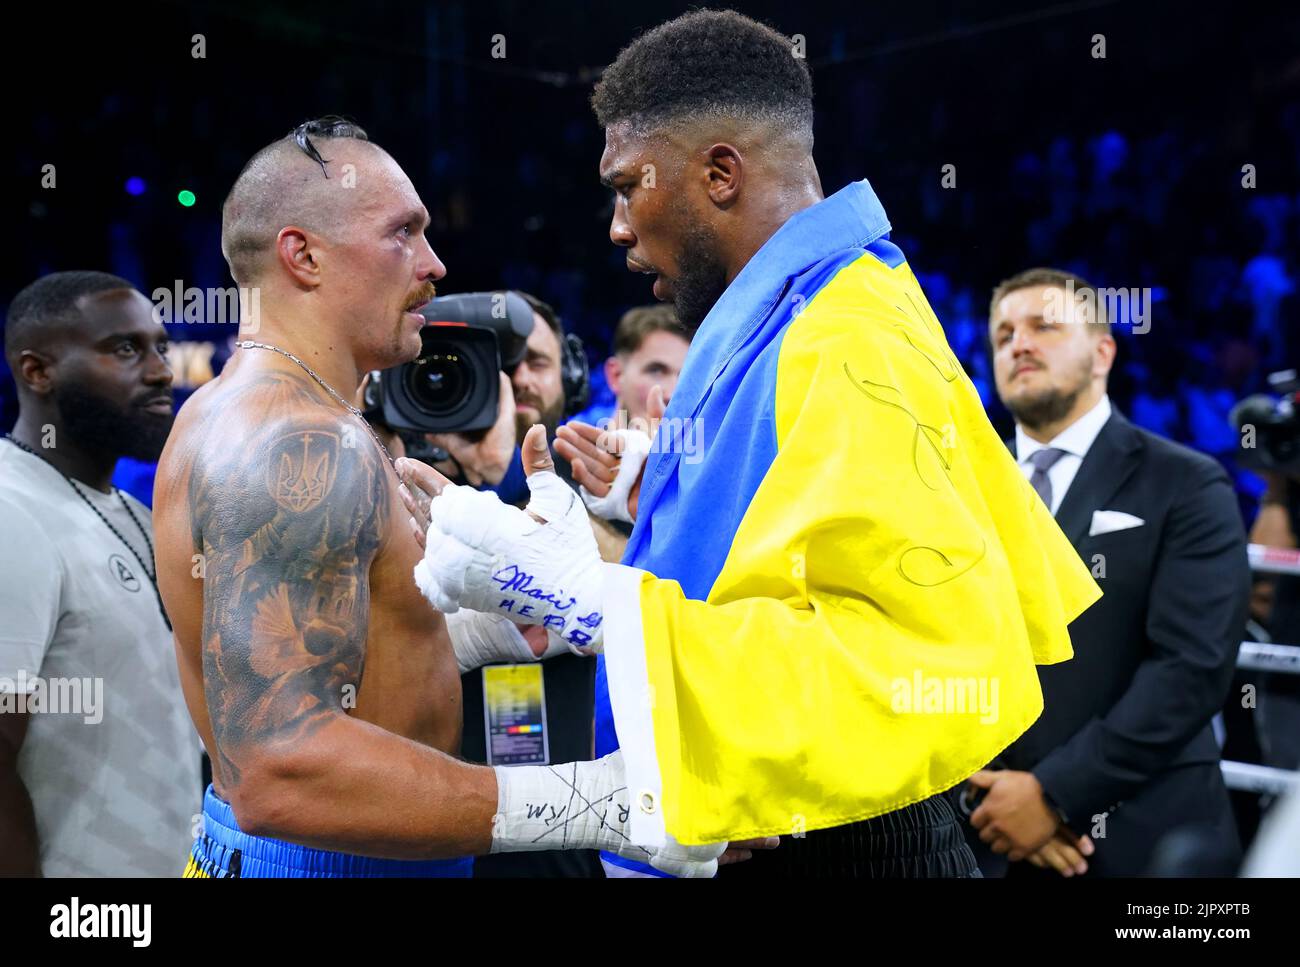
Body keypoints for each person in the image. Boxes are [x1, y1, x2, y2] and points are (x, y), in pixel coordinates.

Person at [398, 11, 1100, 878]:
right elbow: (781, 564)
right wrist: (641, 511)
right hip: (797, 820)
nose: (617, 225)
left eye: (627, 186)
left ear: (720, 174)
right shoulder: (789, 315)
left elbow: (900, 660)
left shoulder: (840, 335)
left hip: (847, 843)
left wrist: (591, 599)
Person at [152, 116, 740, 877]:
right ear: (303, 255)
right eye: (404, 233)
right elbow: (281, 767)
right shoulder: (296, 442)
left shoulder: (248, 413)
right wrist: (590, 802)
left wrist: (486, 625)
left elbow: (314, 657)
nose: (433, 264)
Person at [956, 266, 1248, 877]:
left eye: (1045, 326)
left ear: (1103, 351)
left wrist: (1051, 794)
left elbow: (1190, 669)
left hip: (1146, 839)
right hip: (983, 831)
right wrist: (985, 795)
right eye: (1004, 333)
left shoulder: (1186, 484)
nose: (1020, 344)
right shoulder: (959, 490)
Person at [0, 270, 201, 875]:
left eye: (161, 347)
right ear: (38, 372)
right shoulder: (10, 511)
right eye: (125, 349)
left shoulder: (131, 512)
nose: (163, 370)